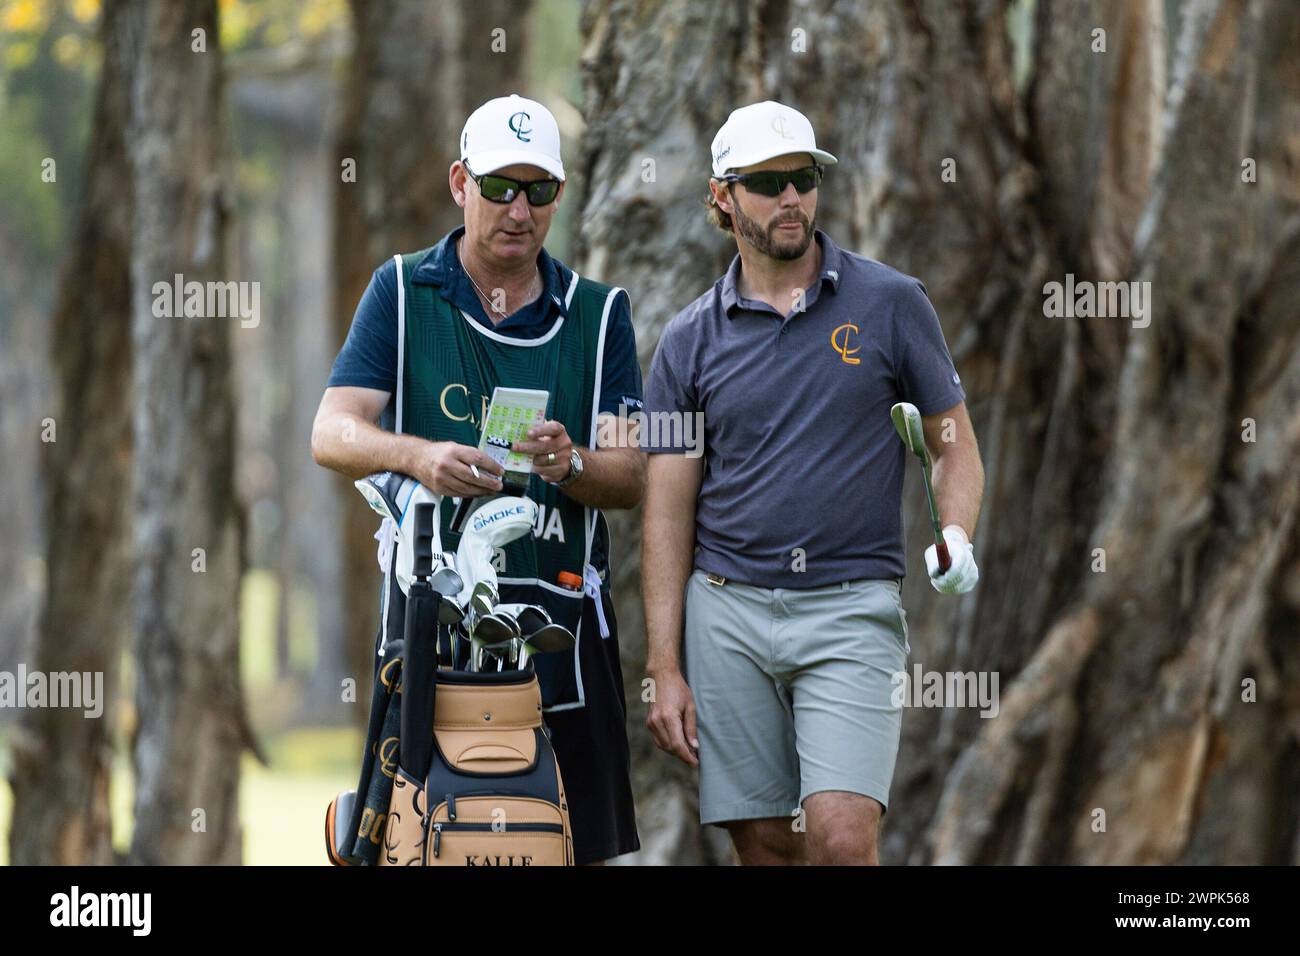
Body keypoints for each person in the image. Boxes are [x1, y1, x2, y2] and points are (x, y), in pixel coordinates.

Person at [640, 100, 984, 865]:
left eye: (803, 177)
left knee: (839, 836)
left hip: (850, 608)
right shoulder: (685, 340)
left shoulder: (892, 303)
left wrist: (955, 532)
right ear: (722, 198)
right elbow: (666, 510)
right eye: (767, 182)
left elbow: (953, 441)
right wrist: (665, 666)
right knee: (764, 842)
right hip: (725, 611)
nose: (791, 197)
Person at [312, 94, 643, 865]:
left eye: (538, 190)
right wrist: (417, 456)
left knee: (582, 848)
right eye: (499, 187)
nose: (518, 210)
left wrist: (575, 463)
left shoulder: (599, 316)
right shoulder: (401, 291)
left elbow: (631, 475)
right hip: (429, 630)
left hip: (565, 630)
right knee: (426, 840)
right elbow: (331, 432)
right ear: (461, 183)